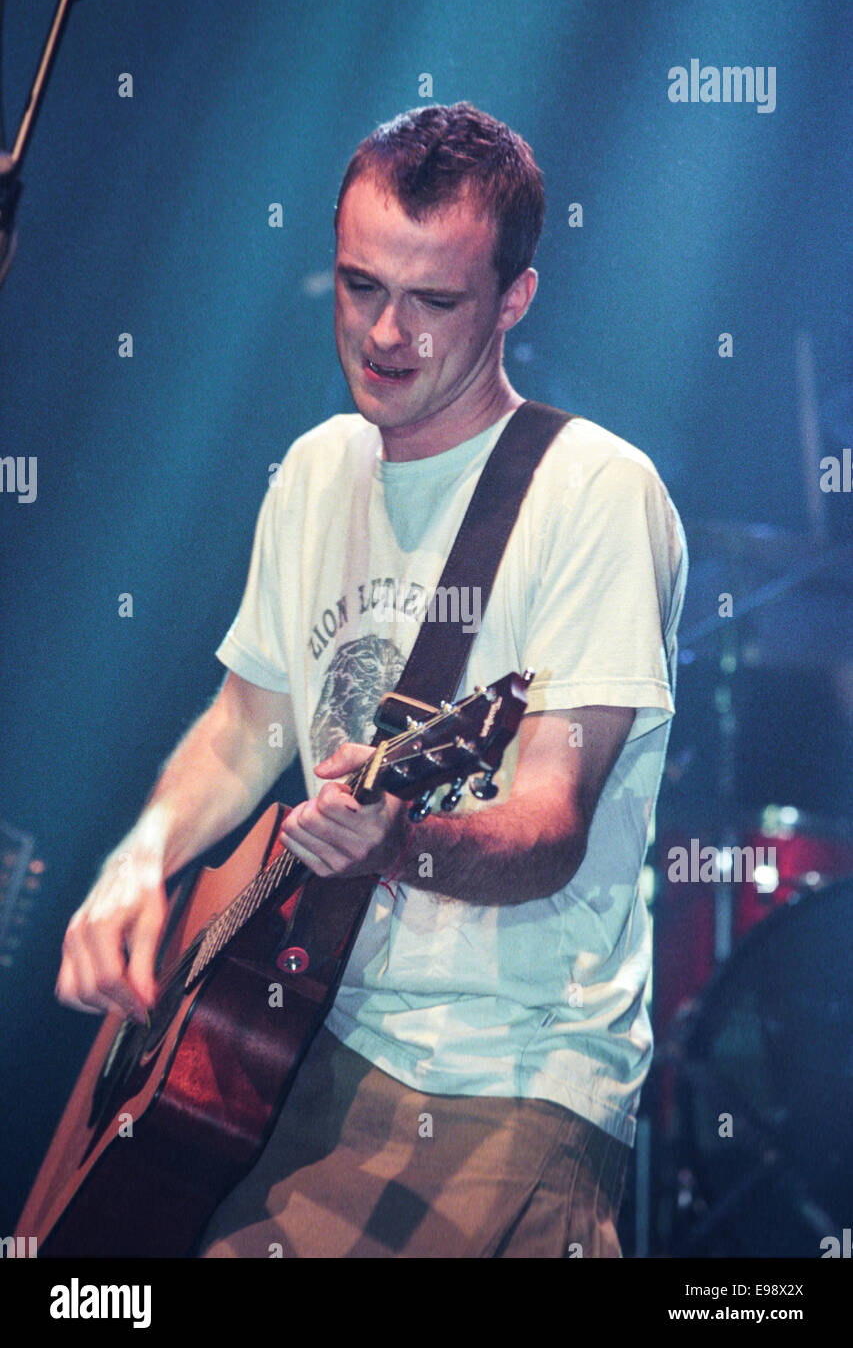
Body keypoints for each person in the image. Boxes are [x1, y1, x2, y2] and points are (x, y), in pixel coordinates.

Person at [55, 102, 687, 1258]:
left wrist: (403, 845)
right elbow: (248, 724)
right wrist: (138, 861)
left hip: (503, 1080)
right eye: (358, 287)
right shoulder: (314, 469)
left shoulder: (595, 490)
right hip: (281, 1034)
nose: (384, 333)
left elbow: (549, 820)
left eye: (433, 301)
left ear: (514, 299)